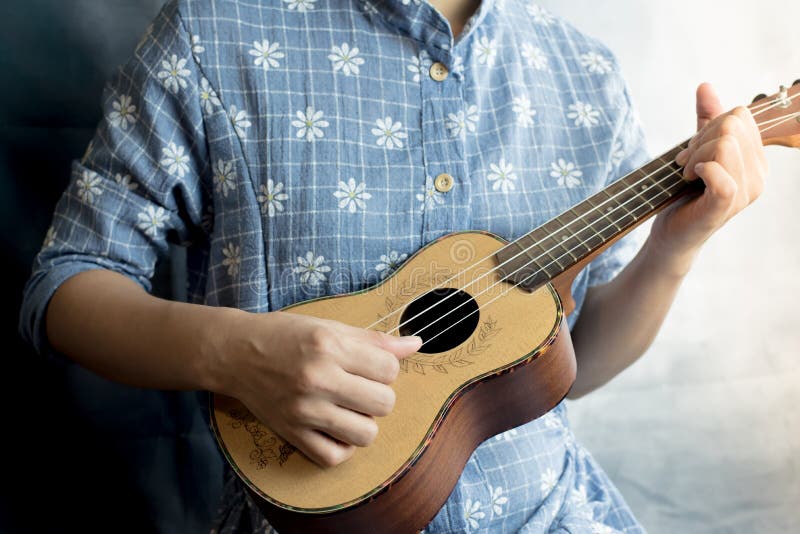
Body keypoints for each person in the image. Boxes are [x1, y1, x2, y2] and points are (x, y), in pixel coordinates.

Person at [19, 0, 766, 531]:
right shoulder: (215, 33)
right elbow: (65, 285)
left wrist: (677, 244)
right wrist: (236, 354)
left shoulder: (584, 75)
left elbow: (575, 362)